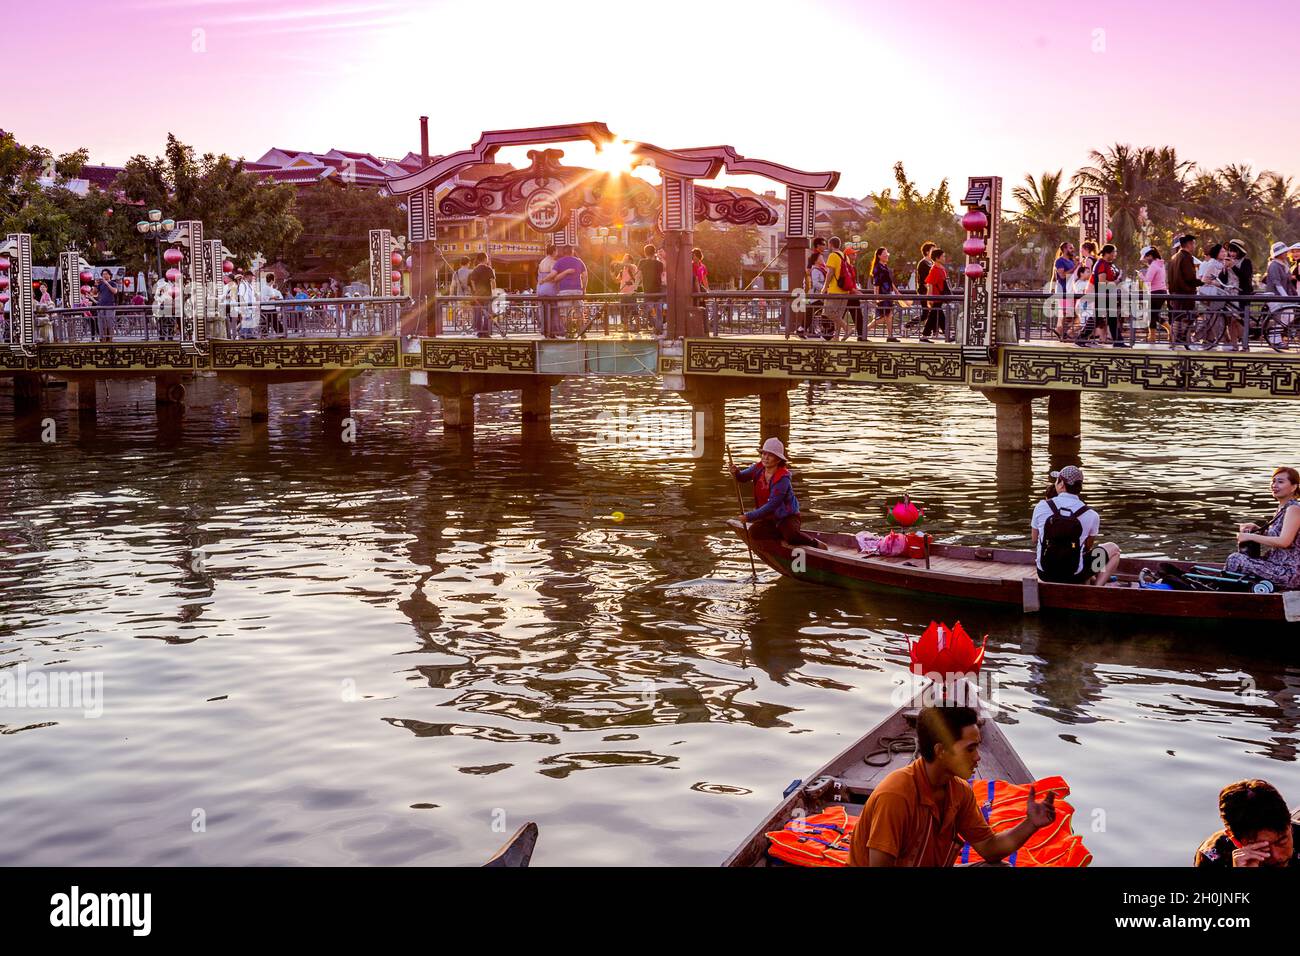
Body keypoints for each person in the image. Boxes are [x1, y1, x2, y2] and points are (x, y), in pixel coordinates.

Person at [847, 705, 1059, 867]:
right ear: (941, 751)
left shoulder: (959, 791)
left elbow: (990, 848)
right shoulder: (896, 795)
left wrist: (1031, 823)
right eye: (970, 749)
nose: (977, 757)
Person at [1030, 464, 1121, 585]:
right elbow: (1088, 547)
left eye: (1057, 480)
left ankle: (1092, 581)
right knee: (1114, 549)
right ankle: (1097, 588)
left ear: (1061, 484)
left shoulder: (1042, 506)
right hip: (1074, 575)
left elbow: (1034, 539)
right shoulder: (1091, 514)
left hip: (1045, 573)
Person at [731, 437, 823, 549]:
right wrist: (735, 472)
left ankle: (815, 544)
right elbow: (742, 477)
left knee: (791, 537)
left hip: (787, 517)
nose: (765, 457)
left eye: (770, 455)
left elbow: (772, 505)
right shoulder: (758, 468)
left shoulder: (782, 478)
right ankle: (781, 536)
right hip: (769, 519)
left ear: (778, 459)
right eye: (764, 454)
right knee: (754, 532)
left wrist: (749, 516)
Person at [1194, 779, 1299, 868]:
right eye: (1262, 849)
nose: (1277, 856)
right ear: (1235, 840)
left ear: (1289, 826)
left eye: (1282, 842)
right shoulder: (1213, 855)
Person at [1225, 466, 1300, 588]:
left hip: (1290, 573)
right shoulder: (1283, 508)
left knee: (1236, 559)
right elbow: (1279, 536)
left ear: (1294, 487)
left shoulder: (1294, 509)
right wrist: (1259, 530)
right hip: (1276, 564)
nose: (1274, 485)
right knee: (1239, 558)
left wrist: (1251, 536)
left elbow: (1284, 541)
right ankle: (1229, 591)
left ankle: (1224, 594)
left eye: (1280, 482)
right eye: (1273, 481)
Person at [1078, 243, 1124, 346]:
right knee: (1097, 318)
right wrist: (1117, 281)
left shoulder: (1107, 264)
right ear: (1108, 253)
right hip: (1102, 294)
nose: (1115, 254)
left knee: (1111, 318)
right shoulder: (1101, 264)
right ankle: (1081, 338)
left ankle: (1118, 341)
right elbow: (1102, 281)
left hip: (1108, 294)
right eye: (1114, 252)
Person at [1167, 234, 1201, 348]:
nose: (1195, 246)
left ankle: (1174, 340)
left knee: (1177, 317)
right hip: (1186, 293)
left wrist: (1171, 293)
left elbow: (1170, 278)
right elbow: (1189, 277)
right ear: (1189, 244)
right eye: (1193, 244)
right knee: (1187, 317)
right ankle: (1183, 340)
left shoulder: (1174, 258)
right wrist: (1201, 282)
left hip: (1175, 293)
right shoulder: (1187, 257)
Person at [551, 245, 586, 336]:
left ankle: (569, 332)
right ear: (572, 251)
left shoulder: (559, 262)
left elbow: (554, 278)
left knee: (565, 313)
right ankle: (581, 331)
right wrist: (584, 288)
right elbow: (585, 275)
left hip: (564, 291)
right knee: (579, 312)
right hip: (577, 290)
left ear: (563, 252)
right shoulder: (579, 261)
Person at [868, 246, 899, 341]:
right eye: (885, 254)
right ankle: (863, 330)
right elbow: (876, 284)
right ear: (879, 256)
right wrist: (877, 297)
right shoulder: (878, 268)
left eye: (887, 254)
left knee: (888, 315)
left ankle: (890, 336)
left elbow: (889, 281)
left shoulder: (884, 266)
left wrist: (896, 291)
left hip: (888, 293)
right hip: (882, 294)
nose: (887, 256)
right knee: (884, 317)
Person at [1140, 246, 1167, 344]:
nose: (1145, 260)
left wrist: (1141, 276)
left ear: (1150, 255)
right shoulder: (1160, 264)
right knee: (1154, 315)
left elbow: (1148, 280)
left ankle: (1152, 337)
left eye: (1146, 257)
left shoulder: (1153, 266)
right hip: (1162, 292)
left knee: (1152, 315)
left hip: (1155, 292)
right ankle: (1169, 331)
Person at [920, 247, 948, 342]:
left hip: (939, 296)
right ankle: (945, 333)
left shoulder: (941, 269)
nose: (944, 258)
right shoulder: (934, 269)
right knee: (936, 315)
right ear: (937, 258)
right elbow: (930, 284)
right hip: (935, 297)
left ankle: (945, 333)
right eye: (943, 257)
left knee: (937, 316)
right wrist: (930, 298)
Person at [637, 243, 665, 335]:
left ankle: (654, 327)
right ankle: (658, 329)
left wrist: (635, 288)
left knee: (649, 311)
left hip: (648, 291)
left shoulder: (642, 262)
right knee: (659, 311)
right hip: (658, 291)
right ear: (654, 252)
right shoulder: (660, 264)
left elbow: (639, 276)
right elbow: (662, 274)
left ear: (645, 253)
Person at [1053, 241, 1077, 340]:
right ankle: (1063, 332)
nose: (1073, 250)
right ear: (1064, 249)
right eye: (1070, 248)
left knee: (1071, 313)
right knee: (1065, 313)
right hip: (1062, 290)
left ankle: (1063, 332)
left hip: (1071, 290)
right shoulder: (1059, 261)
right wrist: (1075, 267)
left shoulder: (1071, 261)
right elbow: (1062, 276)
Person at [468, 252, 495, 338]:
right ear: (484, 259)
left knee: (478, 313)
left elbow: (472, 281)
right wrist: (494, 291)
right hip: (487, 294)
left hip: (478, 295)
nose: (488, 259)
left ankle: (479, 331)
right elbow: (493, 281)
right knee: (487, 313)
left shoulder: (475, 269)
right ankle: (486, 331)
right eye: (487, 258)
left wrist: (475, 290)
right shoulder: (489, 269)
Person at [914, 241, 935, 340]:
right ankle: (908, 325)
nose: (935, 252)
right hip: (924, 291)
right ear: (927, 252)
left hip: (930, 291)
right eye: (933, 250)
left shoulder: (931, 263)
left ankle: (928, 333)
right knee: (926, 313)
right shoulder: (922, 263)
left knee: (930, 312)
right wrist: (929, 290)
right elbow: (924, 280)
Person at [536, 244, 558, 337]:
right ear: (553, 251)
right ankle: (551, 332)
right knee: (552, 310)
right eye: (556, 250)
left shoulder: (542, 262)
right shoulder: (552, 261)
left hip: (541, 288)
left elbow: (539, 274)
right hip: (550, 288)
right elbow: (553, 274)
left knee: (544, 311)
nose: (557, 252)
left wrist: (543, 280)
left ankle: (544, 331)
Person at [94, 268, 118, 342]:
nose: (104, 275)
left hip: (110, 305)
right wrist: (96, 284)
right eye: (103, 274)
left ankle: (110, 338)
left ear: (110, 275)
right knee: (101, 323)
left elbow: (114, 291)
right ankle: (102, 339)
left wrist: (107, 283)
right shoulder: (100, 284)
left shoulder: (113, 283)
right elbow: (94, 293)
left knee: (110, 323)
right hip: (101, 306)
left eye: (106, 274)